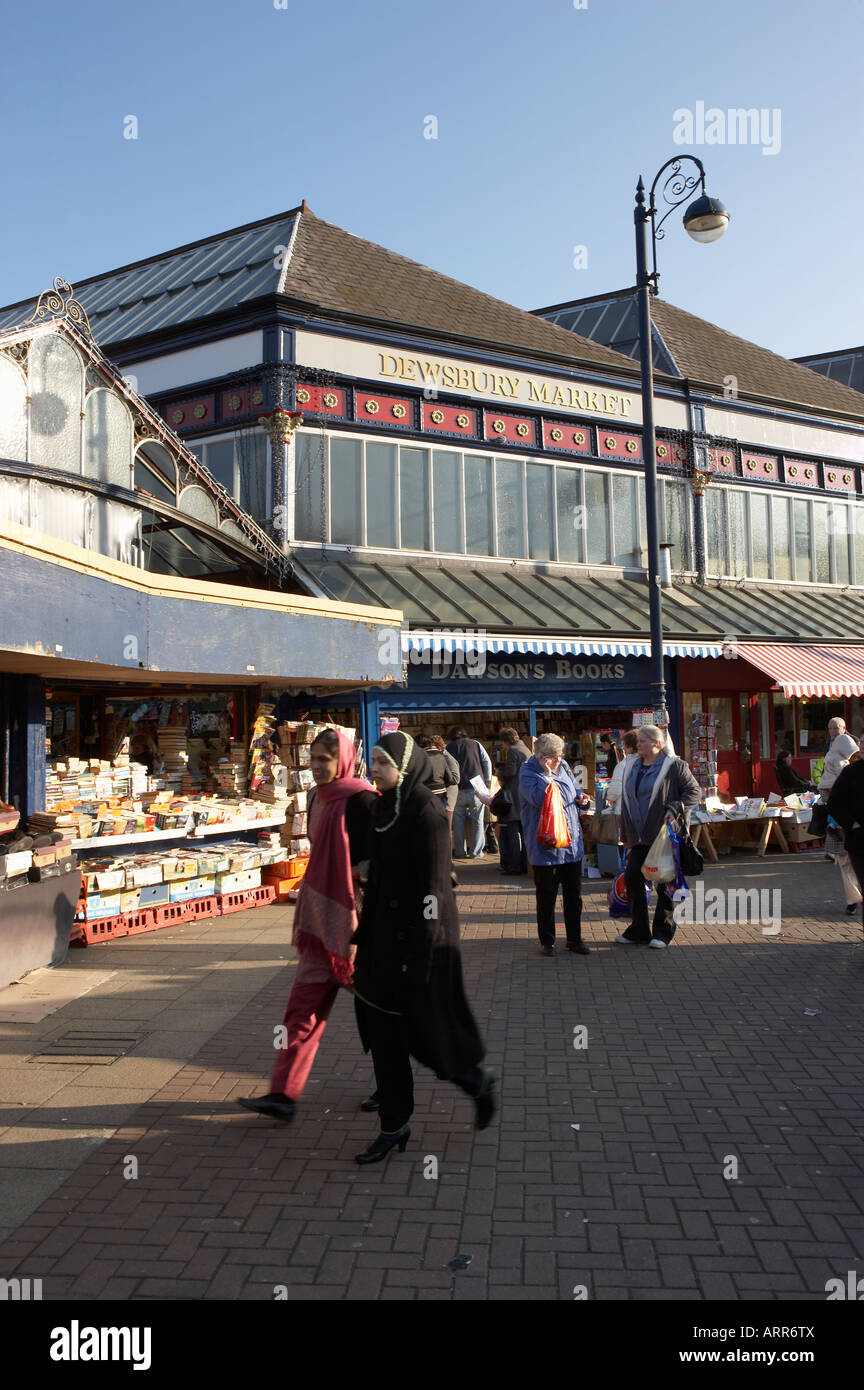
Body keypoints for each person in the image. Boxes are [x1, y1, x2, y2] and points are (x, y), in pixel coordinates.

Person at [352, 732, 495, 1164]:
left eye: (382, 763)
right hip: (382, 938)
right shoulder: (381, 807)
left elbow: (434, 891)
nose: (374, 770)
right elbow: (376, 878)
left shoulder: (426, 812)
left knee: (424, 1034)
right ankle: (394, 1126)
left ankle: (475, 1082)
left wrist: (419, 958)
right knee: (382, 1032)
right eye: (372, 762)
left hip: (422, 942)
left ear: (407, 765)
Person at [237, 729, 377, 1122]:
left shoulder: (364, 801)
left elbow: (377, 864)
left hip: (357, 931)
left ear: (343, 761)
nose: (316, 767)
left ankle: (414, 1079)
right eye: (313, 759)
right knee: (301, 1011)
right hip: (318, 925)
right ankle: (282, 1095)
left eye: (324, 760)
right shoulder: (317, 797)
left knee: (382, 1012)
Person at [615, 725, 701, 949]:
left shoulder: (675, 766)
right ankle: (639, 930)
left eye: (642, 740)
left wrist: (675, 807)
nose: (638, 744)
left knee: (665, 883)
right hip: (639, 835)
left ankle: (662, 933)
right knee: (633, 877)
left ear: (656, 743)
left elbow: (694, 792)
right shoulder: (632, 766)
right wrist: (625, 835)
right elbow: (626, 801)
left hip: (664, 834)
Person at [519, 732, 592, 957]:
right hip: (545, 845)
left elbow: (574, 789)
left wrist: (581, 798)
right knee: (547, 895)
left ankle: (574, 939)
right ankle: (547, 942)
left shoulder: (565, 766)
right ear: (541, 756)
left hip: (570, 843)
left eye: (560, 756)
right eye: (553, 757)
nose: (558, 761)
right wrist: (548, 775)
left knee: (573, 896)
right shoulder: (528, 772)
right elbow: (541, 799)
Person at [826, 731, 864, 929]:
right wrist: (851, 824)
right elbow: (834, 802)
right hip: (859, 842)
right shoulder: (850, 772)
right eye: (862, 743)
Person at [818, 718, 860, 894]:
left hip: (855, 811)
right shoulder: (830, 748)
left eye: (836, 728)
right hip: (839, 812)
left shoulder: (855, 745)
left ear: (844, 728)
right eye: (830, 728)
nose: (833, 731)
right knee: (843, 859)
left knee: (853, 859)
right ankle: (853, 899)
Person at [446, 725, 492, 859]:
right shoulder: (475, 744)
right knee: (478, 819)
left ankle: (460, 852)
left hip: (457, 786)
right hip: (477, 783)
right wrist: (487, 784)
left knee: (458, 820)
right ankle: (476, 852)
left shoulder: (448, 747)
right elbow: (486, 762)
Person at [497, 727, 531, 875]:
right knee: (523, 833)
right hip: (523, 795)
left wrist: (499, 773)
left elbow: (510, 773)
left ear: (506, 741)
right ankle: (524, 864)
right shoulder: (526, 748)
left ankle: (514, 866)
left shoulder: (513, 751)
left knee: (513, 832)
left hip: (514, 797)